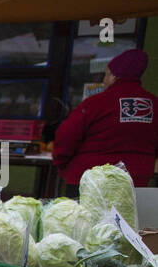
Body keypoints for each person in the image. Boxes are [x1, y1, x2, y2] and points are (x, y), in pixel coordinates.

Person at [52, 48, 158, 189]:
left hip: (91, 181)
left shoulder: (96, 103)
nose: (103, 80)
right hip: (135, 183)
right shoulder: (154, 104)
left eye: (106, 75)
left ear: (114, 76)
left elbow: (66, 135)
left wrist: (63, 164)